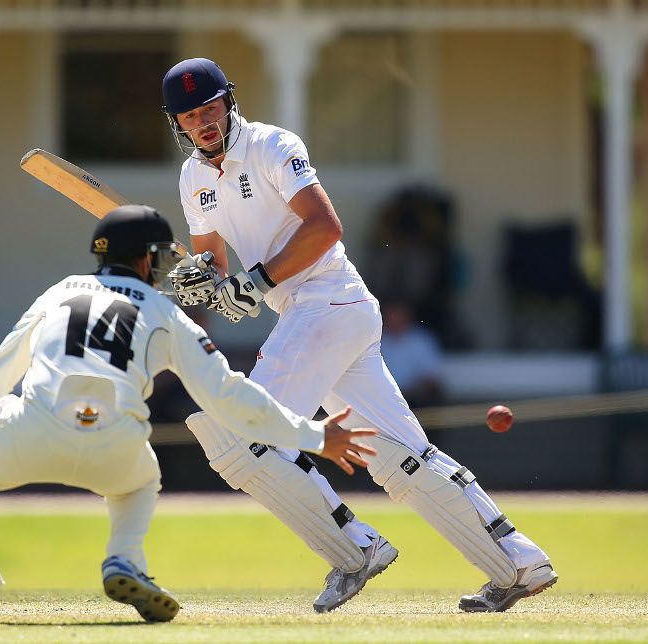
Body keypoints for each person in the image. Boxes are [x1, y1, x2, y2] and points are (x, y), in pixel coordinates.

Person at [162, 58, 558, 613]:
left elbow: (324, 228)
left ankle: (355, 550)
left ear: (229, 103)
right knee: (399, 456)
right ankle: (519, 563)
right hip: (313, 316)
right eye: (189, 116)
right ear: (177, 125)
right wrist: (204, 282)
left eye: (209, 109)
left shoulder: (273, 145)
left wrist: (258, 282)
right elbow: (212, 258)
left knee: (240, 434)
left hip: (326, 300)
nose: (203, 123)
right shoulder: (193, 178)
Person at [0, 205, 377, 624]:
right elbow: (228, 395)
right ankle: (124, 560)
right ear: (149, 259)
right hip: (115, 443)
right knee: (140, 479)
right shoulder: (166, 314)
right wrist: (313, 435)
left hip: (33, 428)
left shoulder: (57, 294)